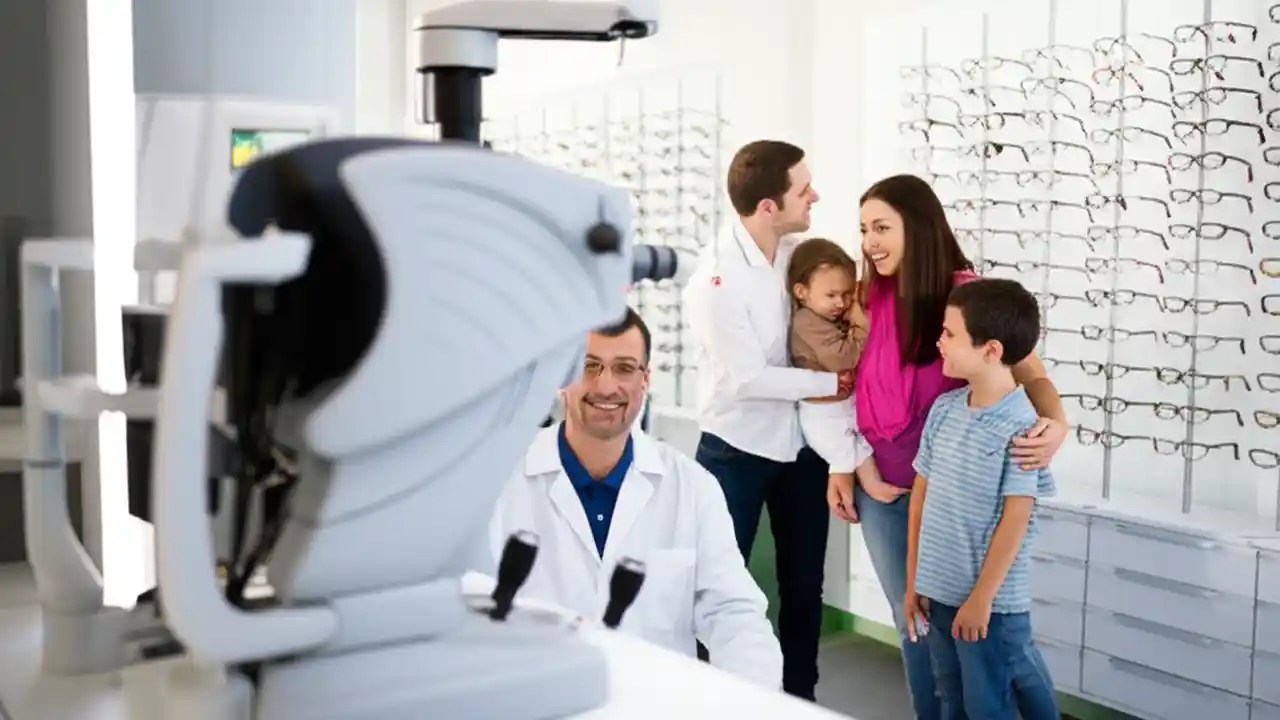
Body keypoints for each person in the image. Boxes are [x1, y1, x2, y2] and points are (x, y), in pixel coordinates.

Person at [845, 174, 1068, 719]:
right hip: (885, 486)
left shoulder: (963, 297)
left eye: (882, 228)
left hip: (955, 495)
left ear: (917, 229)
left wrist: (1057, 423)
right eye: (864, 230)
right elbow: (842, 381)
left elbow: (1029, 371)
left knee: (994, 635)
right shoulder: (865, 294)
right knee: (916, 624)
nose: (870, 242)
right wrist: (847, 466)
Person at [487, 308, 784, 689]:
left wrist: (753, 705)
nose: (606, 386)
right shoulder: (501, 482)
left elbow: (734, 613)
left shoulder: (693, 487)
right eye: (589, 366)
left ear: (645, 379)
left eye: (624, 368)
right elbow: (471, 609)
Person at [683, 140, 853, 700]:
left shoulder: (793, 252)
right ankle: (714, 703)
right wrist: (832, 383)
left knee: (804, 588)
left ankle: (800, 702)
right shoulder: (716, 281)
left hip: (801, 447)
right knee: (720, 588)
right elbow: (747, 379)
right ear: (768, 207)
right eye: (804, 189)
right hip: (736, 449)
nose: (816, 195)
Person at [904, 278, 1059, 720]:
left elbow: (1016, 520)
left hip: (990, 605)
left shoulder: (1024, 427)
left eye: (949, 334)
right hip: (939, 594)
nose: (940, 342)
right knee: (952, 698)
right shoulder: (945, 410)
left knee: (989, 705)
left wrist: (981, 598)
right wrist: (915, 581)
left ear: (990, 349)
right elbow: (921, 499)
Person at [786, 237, 883, 525]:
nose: (840, 303)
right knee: (846, 456)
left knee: (862, 451)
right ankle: (875, 492)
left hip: (844, 406)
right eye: (831, 295)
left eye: (846, 295)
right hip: (823, 415)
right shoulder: (806, 322)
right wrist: (861, 323)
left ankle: (876, 489)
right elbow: (844, 358)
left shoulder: (825, 316)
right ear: (801, 292)